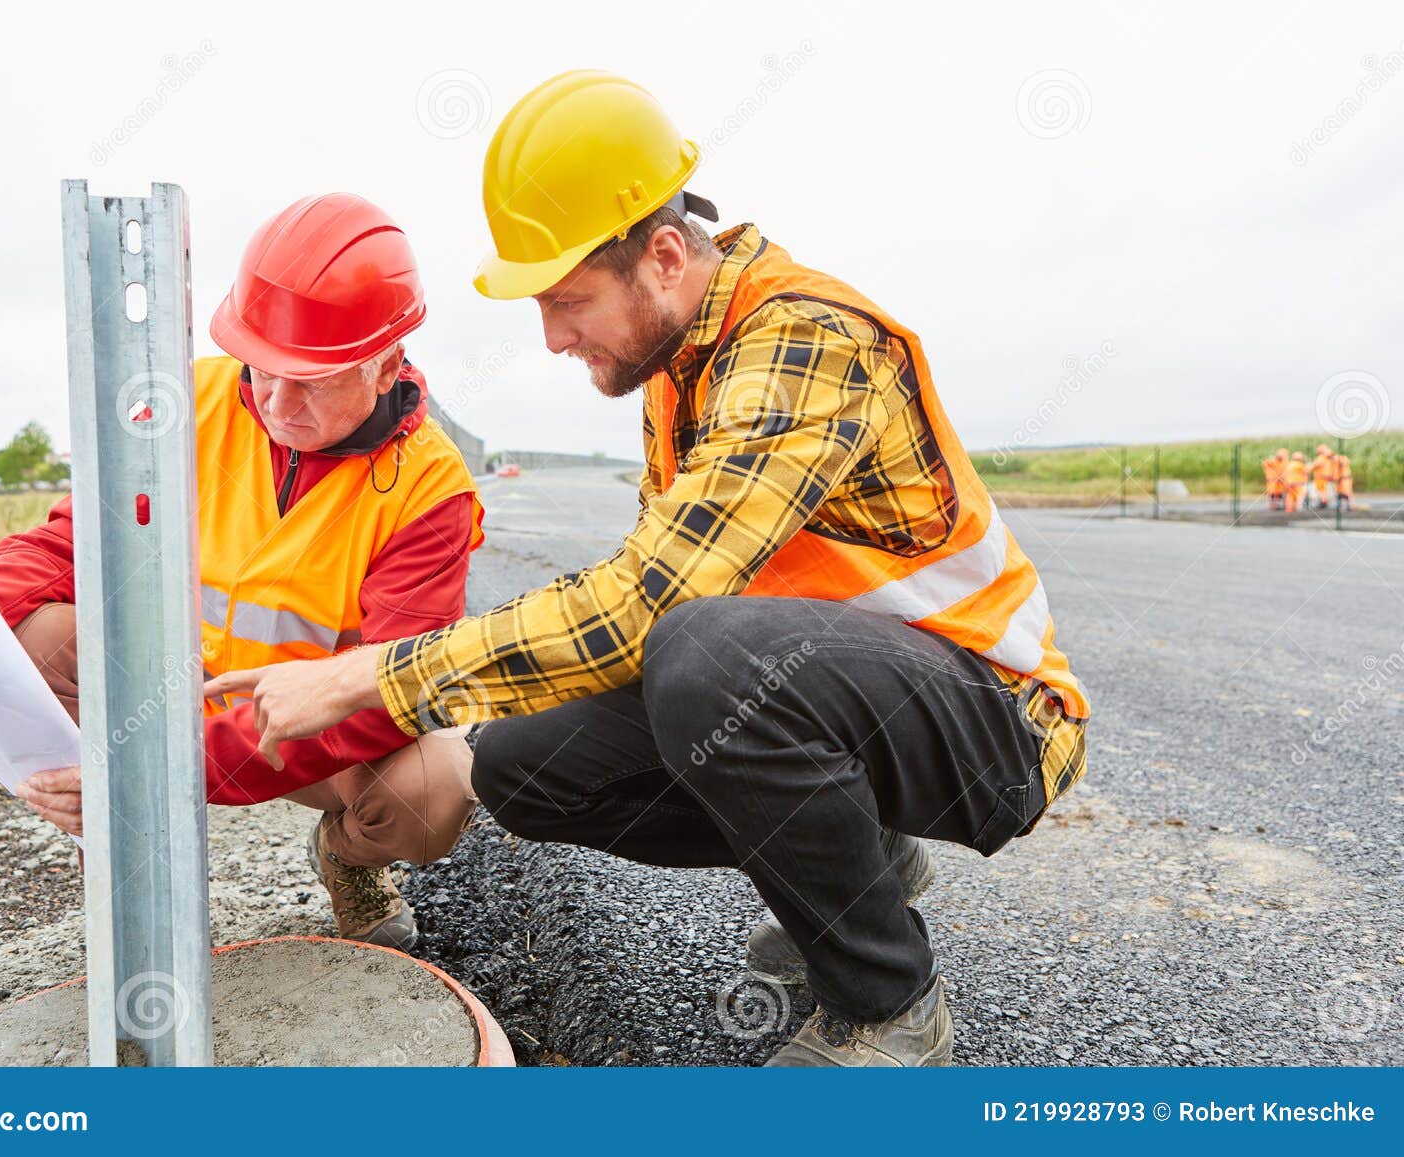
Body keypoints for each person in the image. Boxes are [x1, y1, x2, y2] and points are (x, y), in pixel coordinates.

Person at [203, 71, 1091, 1067]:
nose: (552, 336)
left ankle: (886, 1007)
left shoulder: (802, 340)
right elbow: (631, 624)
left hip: (992, 720)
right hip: (855, 706)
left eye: (568, 301)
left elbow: (643, 610)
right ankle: (860, 857)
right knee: (521, 763)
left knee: (698, 653)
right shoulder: (680, 372)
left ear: (662, 257)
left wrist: (364, 674)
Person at [0, 194, 485, 951]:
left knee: (432, 787)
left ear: (388, 361)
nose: (278, 404)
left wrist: (162, 767)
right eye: (262, 370)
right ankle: (115, 845)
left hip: (299, 735)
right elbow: (72, 547)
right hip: (159, 696)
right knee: (32, 633)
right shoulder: (184, 404)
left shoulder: (430, 489)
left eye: (313, 380)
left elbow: (388, 695)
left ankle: (344, 858)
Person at [1311, 444, 1335, 509]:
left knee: (1321, 490)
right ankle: (1324, 502)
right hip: (1324, 477)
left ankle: (1323, 502)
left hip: (1320, 477)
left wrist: (1308, 468)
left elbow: (1315, 465)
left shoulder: (1321, 458)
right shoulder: (1327, 459)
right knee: (1323, 490)